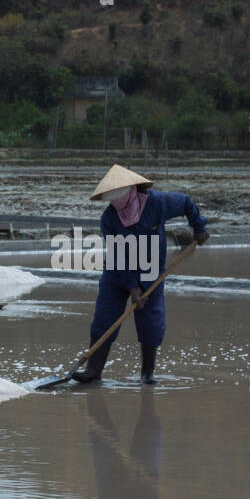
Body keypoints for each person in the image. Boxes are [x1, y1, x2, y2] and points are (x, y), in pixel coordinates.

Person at [72, 164, 209, 384]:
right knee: (104, 318)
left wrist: (199, 227)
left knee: (151, 321)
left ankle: (147, 373)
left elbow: (186, 202)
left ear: (132, 190)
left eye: (120, 197)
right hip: (118, 273)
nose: (117, 203)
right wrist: (132, 286)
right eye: (112, 199)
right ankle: (93, 370)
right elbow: (118, 254)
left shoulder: (158, 203)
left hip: (150, 271)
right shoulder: (109, 219)